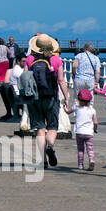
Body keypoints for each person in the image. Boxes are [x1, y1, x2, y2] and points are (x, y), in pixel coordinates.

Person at [26, 33, 67, 166]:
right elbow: (61, 80)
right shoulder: (56, 60)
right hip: (51, 98)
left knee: (39, 129)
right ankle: (50, 146)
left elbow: (25, 79)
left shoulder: (29, 59)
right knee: (52, 127)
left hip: (35, 98)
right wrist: (66, 96)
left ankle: (43, 159)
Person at [73, 87, 98, 170]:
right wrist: (95, 129)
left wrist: (65, 108)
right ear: (90, 101)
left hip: (79, 132)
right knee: (90, 148)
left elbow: (68, 111)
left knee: (80, 149)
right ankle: (92, 160)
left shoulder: (76, 108)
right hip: (89, 133)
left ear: (79, 100)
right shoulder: (92, 110)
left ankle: (80, 165)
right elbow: (95, 122)